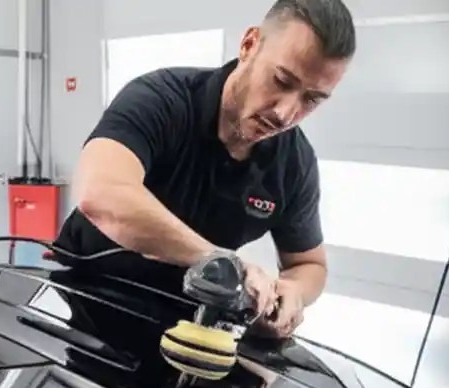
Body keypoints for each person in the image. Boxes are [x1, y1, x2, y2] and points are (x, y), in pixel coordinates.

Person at [52, 0, 355, 338]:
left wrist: (293, 291)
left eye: (311, 99)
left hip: (186, 328)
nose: (285, 114)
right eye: (282, 81)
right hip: (81, 302)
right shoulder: (160, 99)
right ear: (249, 45)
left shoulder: (295, 163)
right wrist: (223, 261)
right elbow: (101, 194)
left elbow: (309, 265)